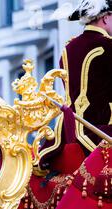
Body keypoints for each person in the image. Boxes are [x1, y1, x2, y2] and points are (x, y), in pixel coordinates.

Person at [62, 0, 112, 152]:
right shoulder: (108, 46)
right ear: (105, 17)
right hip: (102, 132)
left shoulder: (68, 48)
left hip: (70, 132)